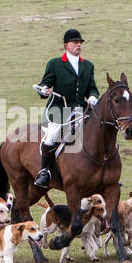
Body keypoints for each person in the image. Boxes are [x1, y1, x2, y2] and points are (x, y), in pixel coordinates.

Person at [33, 28, 99, 188]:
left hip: (82, 109)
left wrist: (92, 96)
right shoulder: (55, 64)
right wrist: (44, 89)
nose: (79, 45)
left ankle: (103, 171)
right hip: (59, 109)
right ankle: (44, 171)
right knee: (53, 134)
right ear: (66, 45)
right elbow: (46, 83)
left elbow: (92, 87)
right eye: (75, 42)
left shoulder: (88, 65)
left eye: (80, 42)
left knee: (99, 132)